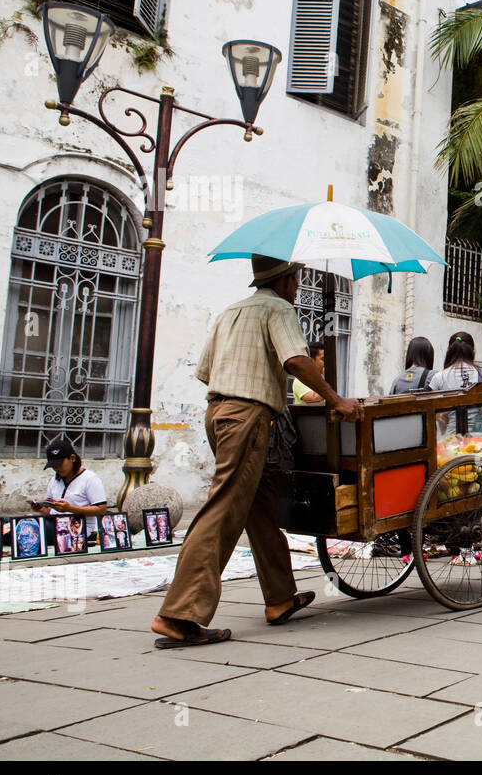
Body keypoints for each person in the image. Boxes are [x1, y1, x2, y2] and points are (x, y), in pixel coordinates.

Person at [151, 256, 362, 649]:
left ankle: (280, 598)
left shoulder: (232, 310)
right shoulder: (278, 309)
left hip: (219, 413)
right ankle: (179, 614)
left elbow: (206, 371)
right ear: (283, 281)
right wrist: (335, 399)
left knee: (258, 505)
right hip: (246, 417)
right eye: (296, 279)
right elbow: (296, 360)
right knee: (225, 508)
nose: (298, 287)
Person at [38, 438, 109, 523]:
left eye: (60, 464)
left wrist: (70, 508)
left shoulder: (90, 479)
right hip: (57, 527)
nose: (57, 468)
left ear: (72, 458)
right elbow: (51, 512)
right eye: (54, 466)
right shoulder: (54, 481)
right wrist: (40, 509)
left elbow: (101, 509)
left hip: (83, 530)